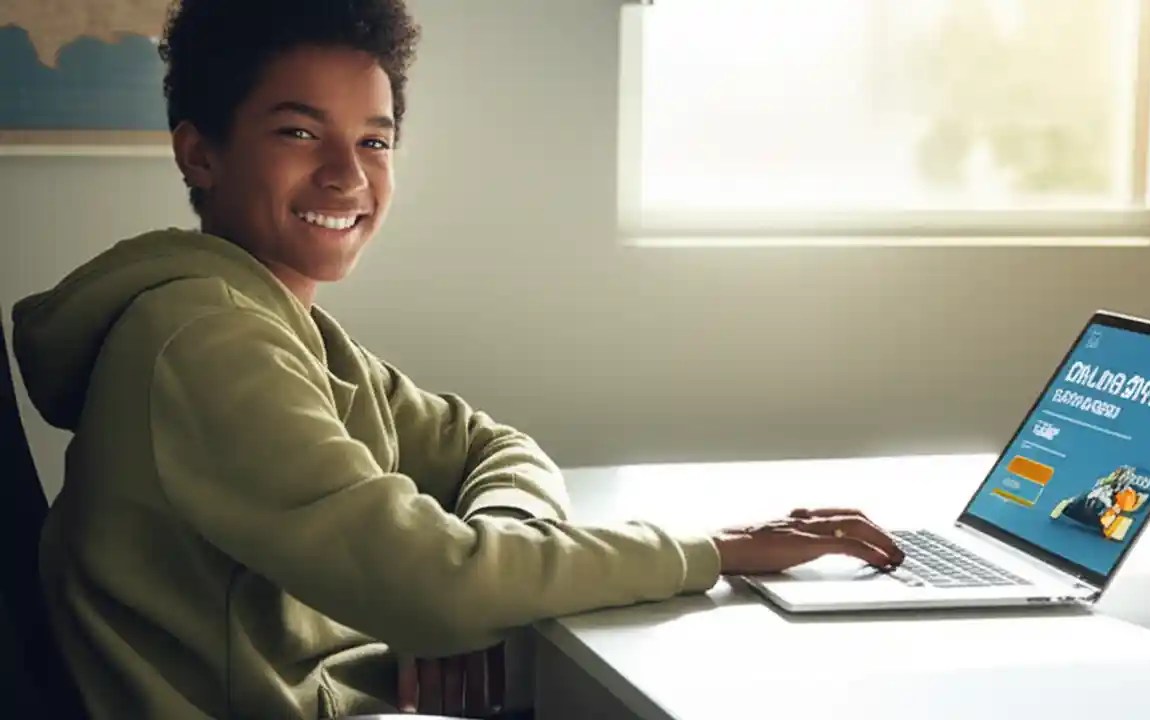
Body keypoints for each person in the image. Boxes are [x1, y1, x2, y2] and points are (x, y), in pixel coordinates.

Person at [10, 1, 904, 718]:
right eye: (298, 133)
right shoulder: (204, 337)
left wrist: (490, 575)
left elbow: (489, 447)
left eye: (375, 139)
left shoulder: (283, 325)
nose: (348, 175)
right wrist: (720, 550)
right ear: (199, 151)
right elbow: (430, 580)